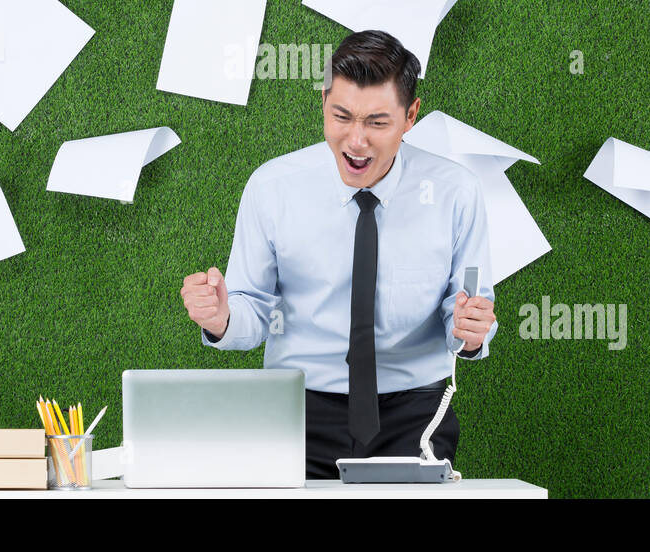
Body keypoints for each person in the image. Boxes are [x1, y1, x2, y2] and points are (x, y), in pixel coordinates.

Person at [180, 29, 497, 479]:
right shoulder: (272, 187)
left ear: (410, 116)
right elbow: (253, 308)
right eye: (341, 116)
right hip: (296, 408)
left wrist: (470, 331)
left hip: (414, 412)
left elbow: (466, 308)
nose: (356, 140)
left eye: (378, 122)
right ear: (324, 102)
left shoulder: (455, 192)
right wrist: (222, 319)